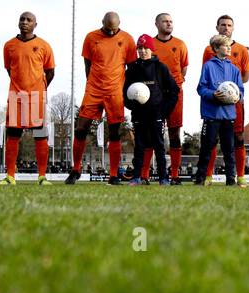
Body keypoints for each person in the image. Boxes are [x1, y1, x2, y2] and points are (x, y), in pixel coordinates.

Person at [71, 12, 136, 184]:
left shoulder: (128, 39)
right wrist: (92, 83)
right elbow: (87, 64)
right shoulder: (91, 37)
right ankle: (75, 170)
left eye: (114, 30)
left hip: (115, 91)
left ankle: (113, 175)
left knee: (114, 133)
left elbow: (132, 68)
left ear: (119, 24)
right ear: (102, 23)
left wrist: (124, 89)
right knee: (81, 128)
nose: (111, 33)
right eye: (108, 29)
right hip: (93, 89)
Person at [3, 11, 56, 185]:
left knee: (40, 135)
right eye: (22, 19)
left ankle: (42, 176)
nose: (24, 22)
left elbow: (50, 71)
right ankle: (10, 176)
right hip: (15, 96)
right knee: (13, 135)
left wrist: (39, 88)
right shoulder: (9, 45)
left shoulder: (44, 45)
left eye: (29, 20)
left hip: (36, 97)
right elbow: (9, 69)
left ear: (35, 24)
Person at [200, 15, 249, 183]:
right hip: (212, 112)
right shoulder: (208, 61)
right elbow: (202, 86)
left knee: (232, 144)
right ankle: (204, 177)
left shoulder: (237, 64)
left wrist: (235, 95)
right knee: (209, 144)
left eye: (229, 25)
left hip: (230, 111)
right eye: (223, 25)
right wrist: (213, 94)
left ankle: (235, 177)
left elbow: (242, 84)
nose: (226, 28)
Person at [123, 34, 180, 186]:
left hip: (157, 114)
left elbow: (174, 91)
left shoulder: (160, 68)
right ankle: (136, 177)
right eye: (139, 48)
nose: (142, 51)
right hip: (139, 114)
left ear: (152, 49)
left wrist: (164, 111)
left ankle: (163, 178)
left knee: (159, 147)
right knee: (139, 147)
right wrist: (131, 105)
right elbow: (125, 92)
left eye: (145, 48)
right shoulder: (132, 69)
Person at [146, 13, 189, 183]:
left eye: (171, 21)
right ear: (156, 23)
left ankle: (175, 174)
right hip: (154, 93)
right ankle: (144, 174)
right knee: (150, 133)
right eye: (165, 21)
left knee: (174, 133)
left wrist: (175, 83)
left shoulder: (180, 44)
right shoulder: (151, 44)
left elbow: (184, 68)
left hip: (174, 93)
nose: (169, 24)